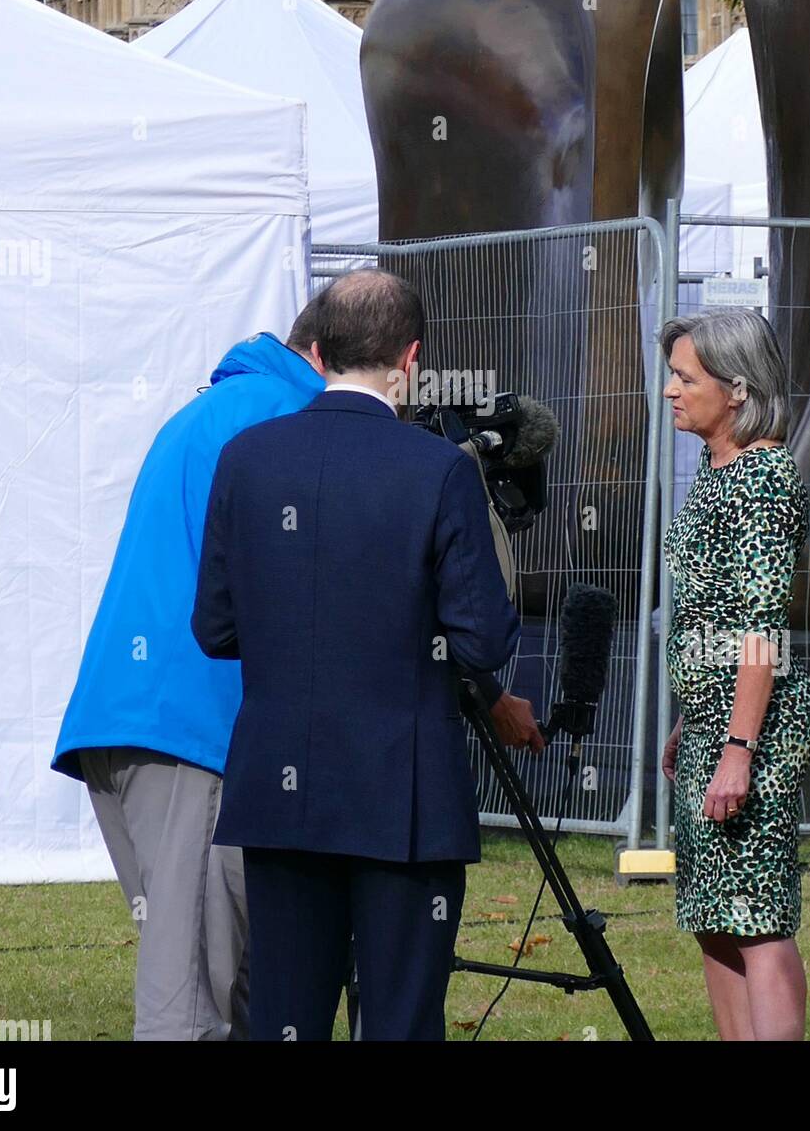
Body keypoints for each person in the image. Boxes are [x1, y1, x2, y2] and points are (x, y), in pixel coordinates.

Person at [192, 267, 545, 1041]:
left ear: (314, 351)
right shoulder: (438, 469)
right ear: (410, 358)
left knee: (284, 1017)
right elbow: (483, 636)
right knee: (400, 1020)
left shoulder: (246, 459)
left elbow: (213, 629)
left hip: (280, 787)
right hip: (402, 794)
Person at [51, 299, 327, 1041]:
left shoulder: (217, 408)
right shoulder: (285, 415)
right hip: (193, 731)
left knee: (216, 977)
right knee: (195, 997)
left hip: (137, 722)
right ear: (328, 358)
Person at [659, 306, 810, 1041]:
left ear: (736, 388)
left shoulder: (763, 476)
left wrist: (737, 748)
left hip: (753, 731)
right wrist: (692, 717)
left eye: (684, 377)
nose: (669, 390)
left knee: (754, 915)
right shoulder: (713, 467)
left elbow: (760, 627)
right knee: (711, 916)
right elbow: (710, 612)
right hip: (712, 721)